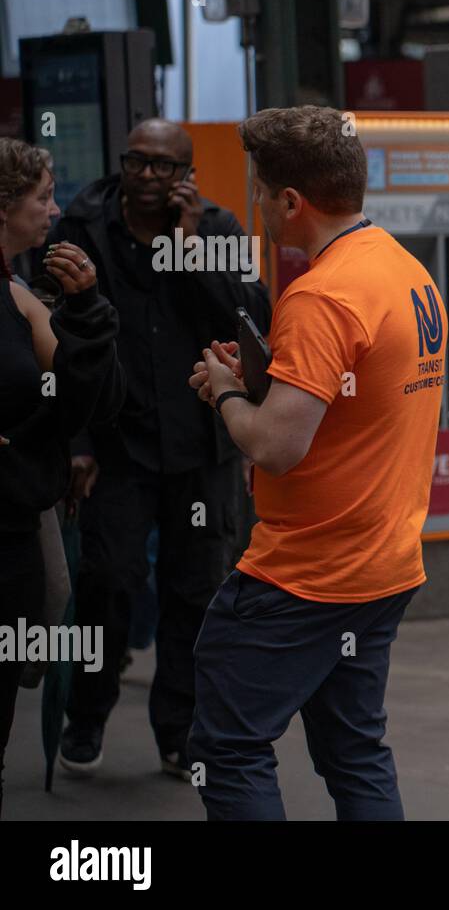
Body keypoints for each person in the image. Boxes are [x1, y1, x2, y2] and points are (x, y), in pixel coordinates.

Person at [186, 105, 446, 820]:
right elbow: (351, 405)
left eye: (261, 192)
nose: (258, 207)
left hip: (306, 575)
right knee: (354, 752)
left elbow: (276, 445)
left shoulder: (322, 295)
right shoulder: (403, 270)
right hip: (384, 565)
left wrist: (228, 391)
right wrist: (274, 382)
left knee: (228, 750)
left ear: (291, 202)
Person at [52, 119, 270, 779]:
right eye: (137, 162)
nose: (148, 176)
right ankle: (86, 713)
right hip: (118, 443)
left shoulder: (220, 230)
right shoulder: (82, 225)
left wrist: (192, 246)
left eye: (164, 167)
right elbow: (61, 342)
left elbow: (246, 317)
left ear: (187, 175)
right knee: (107, 583)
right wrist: (78, 442)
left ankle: (180, 731)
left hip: (201, 448)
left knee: (197, 592)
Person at [0, 137, 122, 815]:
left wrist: (87, 314)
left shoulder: (20, 295)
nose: (52, 212)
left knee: (47, 605)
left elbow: (92, 397)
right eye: (41, 198)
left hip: (16, 526)